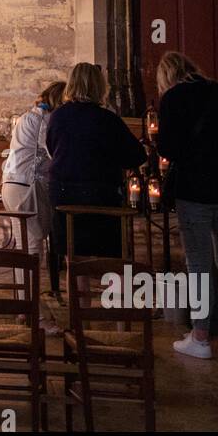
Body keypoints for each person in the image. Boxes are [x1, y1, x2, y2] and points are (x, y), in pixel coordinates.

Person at [154, 51, 218, 361]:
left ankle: (200, 336)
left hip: (194, 190)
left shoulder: (172, 99)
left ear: (166, 77)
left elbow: (168, 148)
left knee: (198, 265)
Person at [44, 63, 147, 293]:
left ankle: (78, 317)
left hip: (64, 193)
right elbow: (135, 156)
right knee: (114, 255)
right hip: (101, 196)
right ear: (100, 87)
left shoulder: (58, 116)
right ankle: (120, 316)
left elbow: (52, 148)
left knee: (75, 257)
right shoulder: (107, 119)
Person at [2, 81, 66, 332]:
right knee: (32, 250)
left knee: (25, 249)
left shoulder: (29, 116)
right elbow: (54, 152)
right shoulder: (44, 119)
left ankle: (24, 307)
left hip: (15, 183)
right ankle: (36, 316)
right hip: (26, 186)